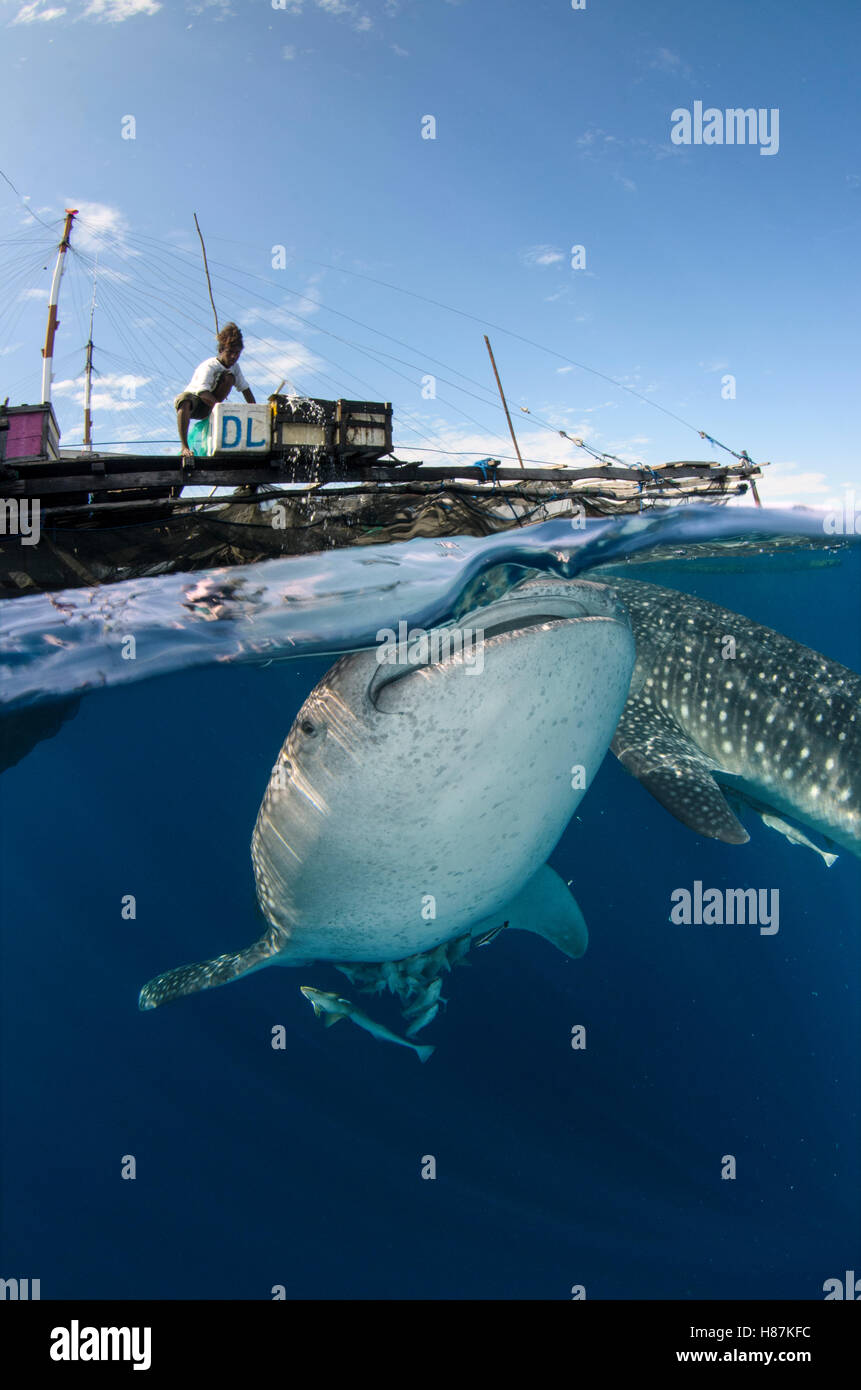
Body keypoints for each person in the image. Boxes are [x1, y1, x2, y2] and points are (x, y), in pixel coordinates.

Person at [175, 322, 256, 463]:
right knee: (184, 400)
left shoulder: (235, 368)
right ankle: (184, 446)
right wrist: (222, 408)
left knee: (229, 377)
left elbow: (245, 390)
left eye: (237, 353)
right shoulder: (209, 366)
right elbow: (202, 393)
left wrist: (256, 411)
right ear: (221, 350)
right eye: (230, 352)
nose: (233, 357)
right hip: (197, 402)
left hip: (211, 406)